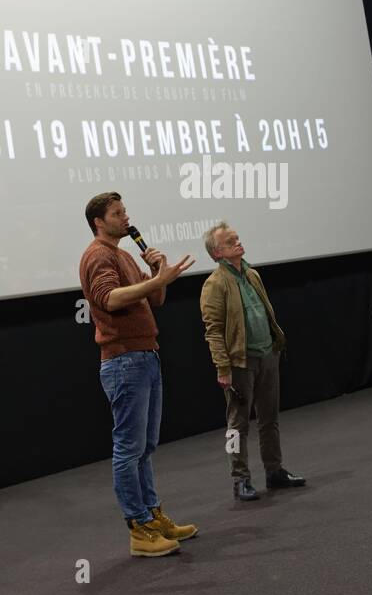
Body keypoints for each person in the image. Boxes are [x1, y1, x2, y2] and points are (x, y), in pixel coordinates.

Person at [79, 191, 198, 558]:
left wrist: (159, 275)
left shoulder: (125, 254)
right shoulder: (98, 255)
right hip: (123, 359)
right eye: (117, 213)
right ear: (99, 222)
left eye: (124, 210)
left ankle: (152, 515)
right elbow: (110, 299)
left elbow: (153, 301)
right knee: (129, 448)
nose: (125, 217)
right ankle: (138, 528)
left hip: (145, 355)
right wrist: (156, 280)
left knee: (145, 447)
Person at [199, 221, 305, 502]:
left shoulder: (252, 275)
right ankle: (240, 479)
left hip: (266, 354)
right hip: (239, 363)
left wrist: (275, 344)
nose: (237, 241)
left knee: (270, 418)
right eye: (230, 240)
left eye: (237, 237)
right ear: (217, 253)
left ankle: (274, 471)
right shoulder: (215, 284)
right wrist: (223, 367)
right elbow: (213, 331)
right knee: (237, 424)